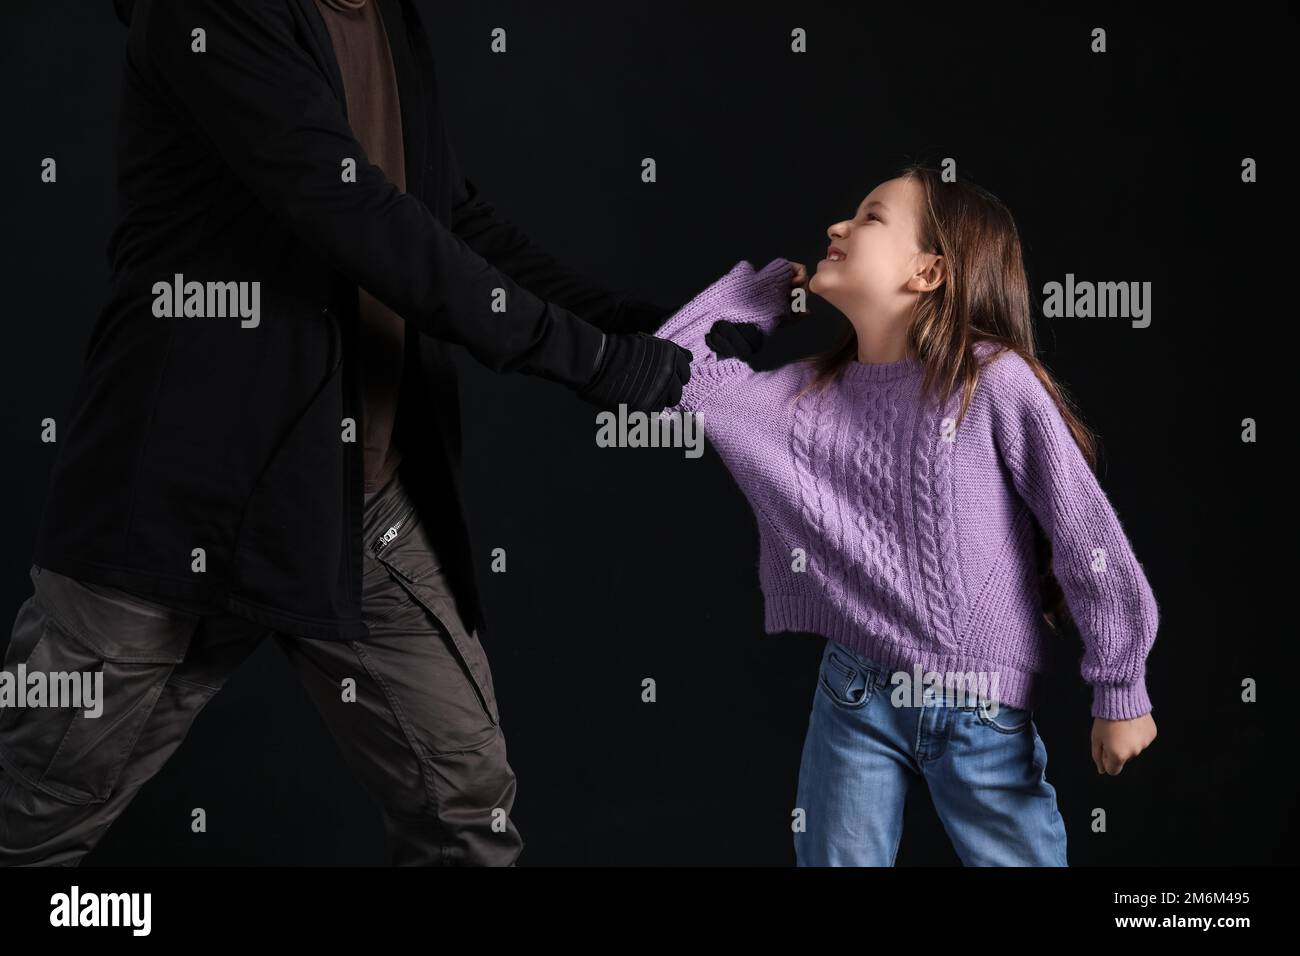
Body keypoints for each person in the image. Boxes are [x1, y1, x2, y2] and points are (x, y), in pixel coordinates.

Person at [0, 0, 690, 866]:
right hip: (176, 506)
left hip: (351, 506)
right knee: (35, 812)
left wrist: (639, 328)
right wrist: (593, 363)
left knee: (465, 816)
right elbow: (363, 220)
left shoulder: (384, 18)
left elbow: (447, 217)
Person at [652, 164, 1160, 865]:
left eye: (870, 217)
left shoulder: (992, 382)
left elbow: (1084, 531)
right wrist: (761, 294)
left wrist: (1120, 683)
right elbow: (677, 370)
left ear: (929, 271)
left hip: (979, 701)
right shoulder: (801, 400)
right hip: (854, 694)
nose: (837, 226)